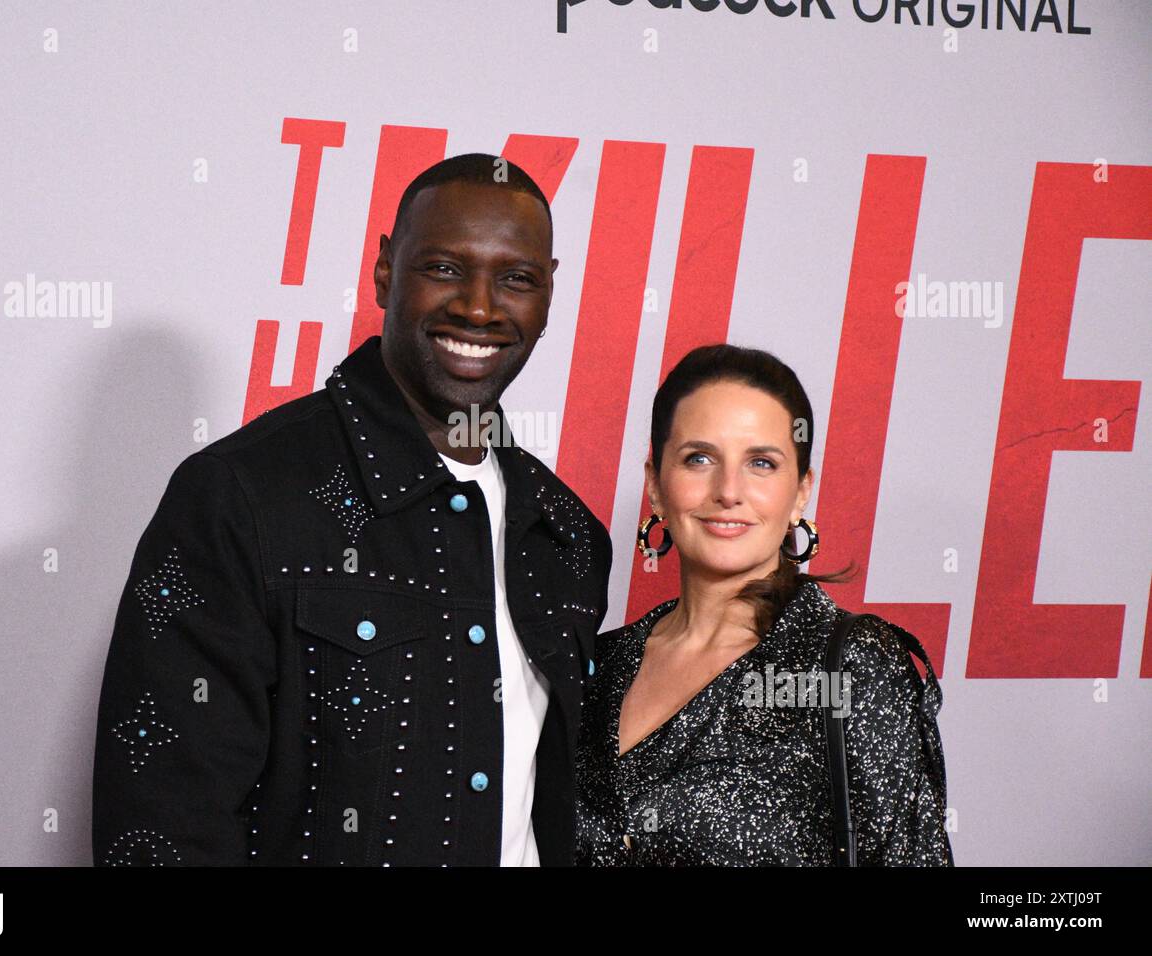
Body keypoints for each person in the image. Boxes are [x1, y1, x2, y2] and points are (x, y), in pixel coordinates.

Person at [91, 153, 613, 866]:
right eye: (445, 268)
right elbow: (160, 828)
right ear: (384, 271)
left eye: (516, 279)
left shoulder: (566, 534)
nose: (480, 307)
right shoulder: (241, 497)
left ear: (549, 296)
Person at [574, 343, 953, 865]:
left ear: (800, 492)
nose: (729, 490)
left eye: (761, 463)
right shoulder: (598, 665)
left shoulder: (851, 664)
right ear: (655, 486)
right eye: (698, 458)